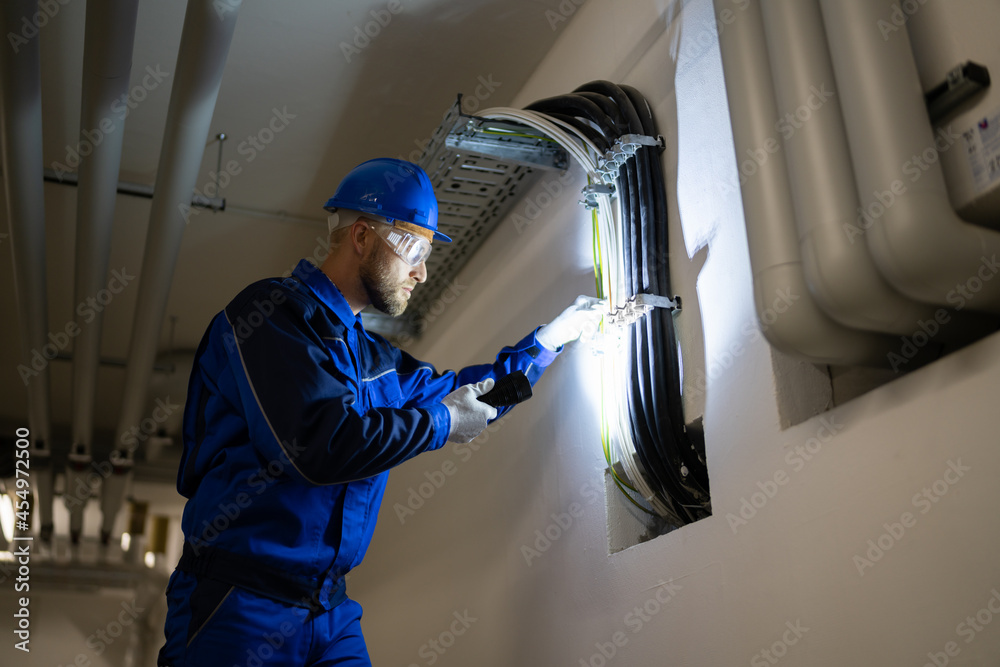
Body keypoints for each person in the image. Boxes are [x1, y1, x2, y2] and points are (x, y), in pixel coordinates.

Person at [157, 158, 603, 666]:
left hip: (329, 609)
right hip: (237, 604)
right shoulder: (271, 317)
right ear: (363, 237)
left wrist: (549, 341)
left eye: (428, 253)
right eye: (412, 246)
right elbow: (318, 447)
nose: (422, 271)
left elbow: (465, 396)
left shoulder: (375, 358)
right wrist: (442, 423)